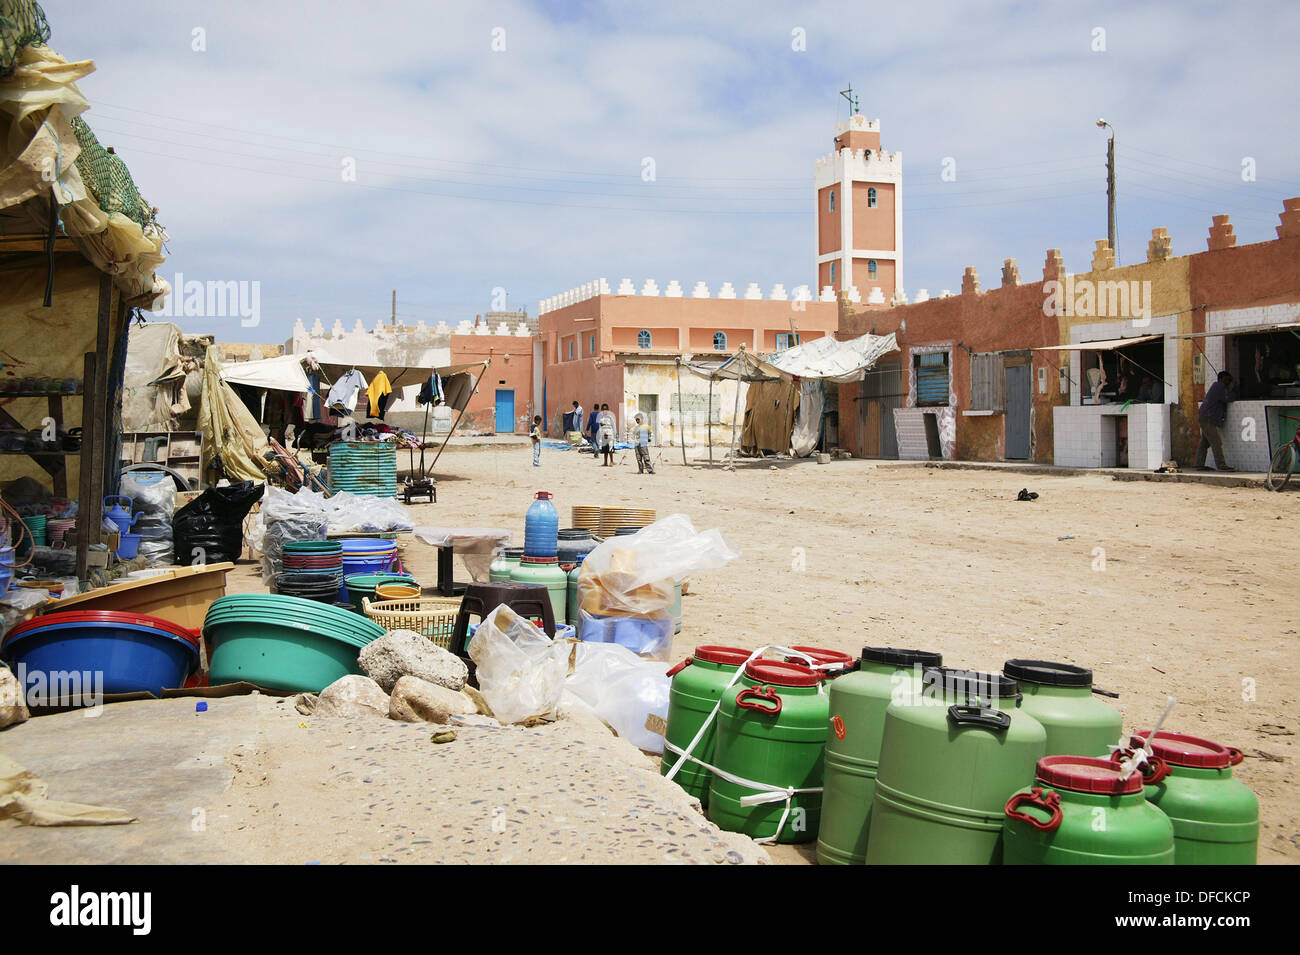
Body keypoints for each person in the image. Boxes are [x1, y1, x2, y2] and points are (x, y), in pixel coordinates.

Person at [1195, 371, 1236, 472]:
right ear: (1221, 379)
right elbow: (1228, 398)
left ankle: (1199, 464)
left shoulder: (1217, 386)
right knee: (1216, 442)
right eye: (1227, 380)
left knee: (1204, 443)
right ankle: (1221, 465)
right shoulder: (1219, 386)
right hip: (1209, 418)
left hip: (1205, 417)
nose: (1228, 382)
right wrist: (1233, 386)